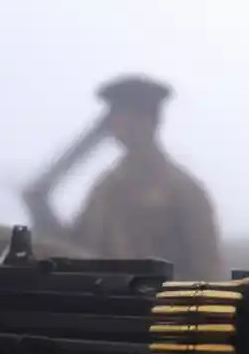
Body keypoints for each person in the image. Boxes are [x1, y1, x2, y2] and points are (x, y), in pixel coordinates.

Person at [22, 75, 225, 280]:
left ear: (152, 119)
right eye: (115, 116)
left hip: (162, 306)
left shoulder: (183, 190)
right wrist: (41, 210)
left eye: (128, 115)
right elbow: (78, 255)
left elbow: (207, 273)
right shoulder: (105, 189)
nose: (119, 124)